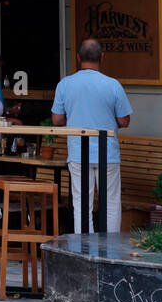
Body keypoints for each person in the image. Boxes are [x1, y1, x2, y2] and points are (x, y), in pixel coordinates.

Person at [52, 38, 132, 233]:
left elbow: (56, 119)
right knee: (111, 203)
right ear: (102, 58)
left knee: (82, 205)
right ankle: (110, 250)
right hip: (108, 153)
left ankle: (84, 250)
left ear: (78, 58)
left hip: (79, 152)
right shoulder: (113, 85)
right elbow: (124, 121)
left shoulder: (65, 84)